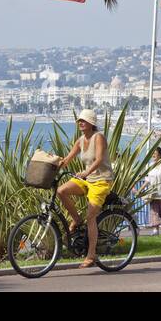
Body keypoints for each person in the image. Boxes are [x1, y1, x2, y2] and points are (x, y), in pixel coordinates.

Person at [54, 109, 113, 268]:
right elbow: (67, 159)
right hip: (86, 179)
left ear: (91, 123)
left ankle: (91, 254)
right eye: (79, 120)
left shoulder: (98, 137)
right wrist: (54, 164)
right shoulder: (80, 140)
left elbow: (100, 159)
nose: (80, 123)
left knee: (91, 217)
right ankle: (76, 219)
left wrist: (87, 171)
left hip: (102, 180)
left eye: (84, 121)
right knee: (61, 191)